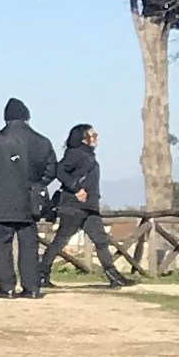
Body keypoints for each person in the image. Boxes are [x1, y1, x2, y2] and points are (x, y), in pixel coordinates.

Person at [0, 97, 59, 301]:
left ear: (6, 119)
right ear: (27, 117)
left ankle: (7, 288)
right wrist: (38, 185)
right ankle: (32, 288)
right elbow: (52, 169)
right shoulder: (42, 141)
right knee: (29, 244)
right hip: (29, 201)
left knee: (2, 244)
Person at [45, 119, 132, 288]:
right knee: (61, 240)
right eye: (94, 135)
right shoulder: (76, 154)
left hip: (89, 207)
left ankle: (113, 276)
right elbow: (59, 170)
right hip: (73, 206)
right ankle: (42, 273)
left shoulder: (87, 155)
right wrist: (76, 188)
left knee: (101, 240)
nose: (97, 138)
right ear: (84, 138)